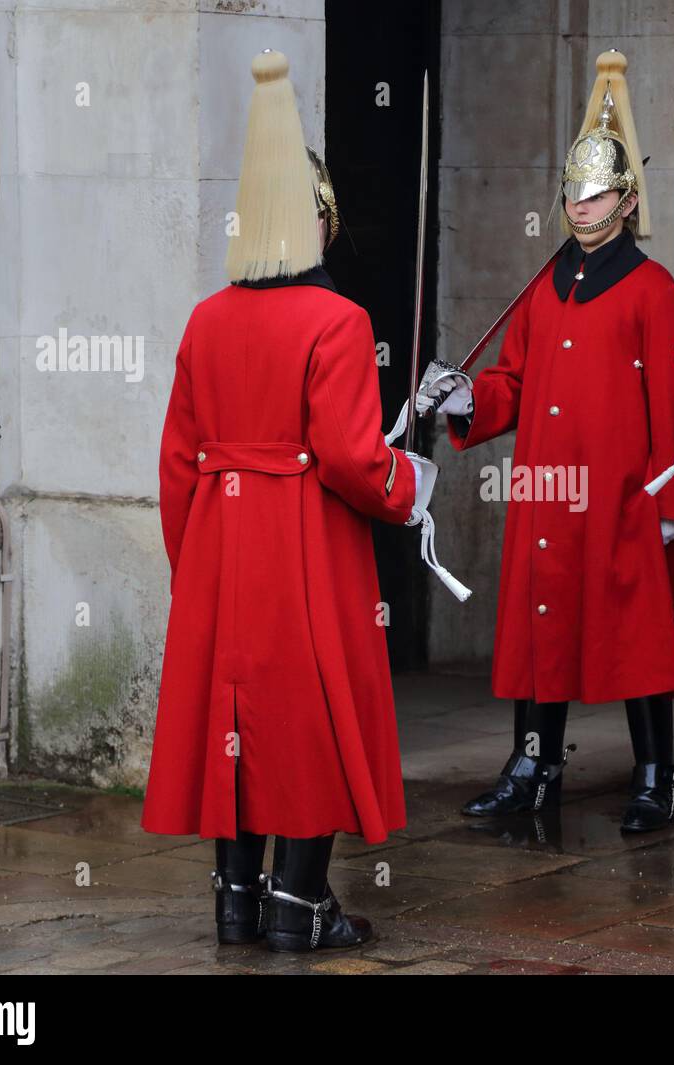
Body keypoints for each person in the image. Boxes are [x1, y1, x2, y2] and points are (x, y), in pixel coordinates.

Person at [140, 50, 425, 950]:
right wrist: (410, 484)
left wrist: (199, 563)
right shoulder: (337, 320)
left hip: (224, 547)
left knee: (237, 725)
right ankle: (299, 906)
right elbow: (348, 456)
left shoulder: (204, 319)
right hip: (305, 545)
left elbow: (176, 463)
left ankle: (235, 901)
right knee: (307, 720)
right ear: (322, 223)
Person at [415, 51, 674, 833]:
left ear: (627, 198)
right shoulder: (546, 286)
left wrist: (673, 503)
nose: (582, 205)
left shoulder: (655, 293)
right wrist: (469, 394)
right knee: (544, 630)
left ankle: (655, 773)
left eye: (599, 191)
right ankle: (534, 766)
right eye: (574, 191)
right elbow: (512, 380)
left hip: (625, 500)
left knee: (640, 639)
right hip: (548, 495)